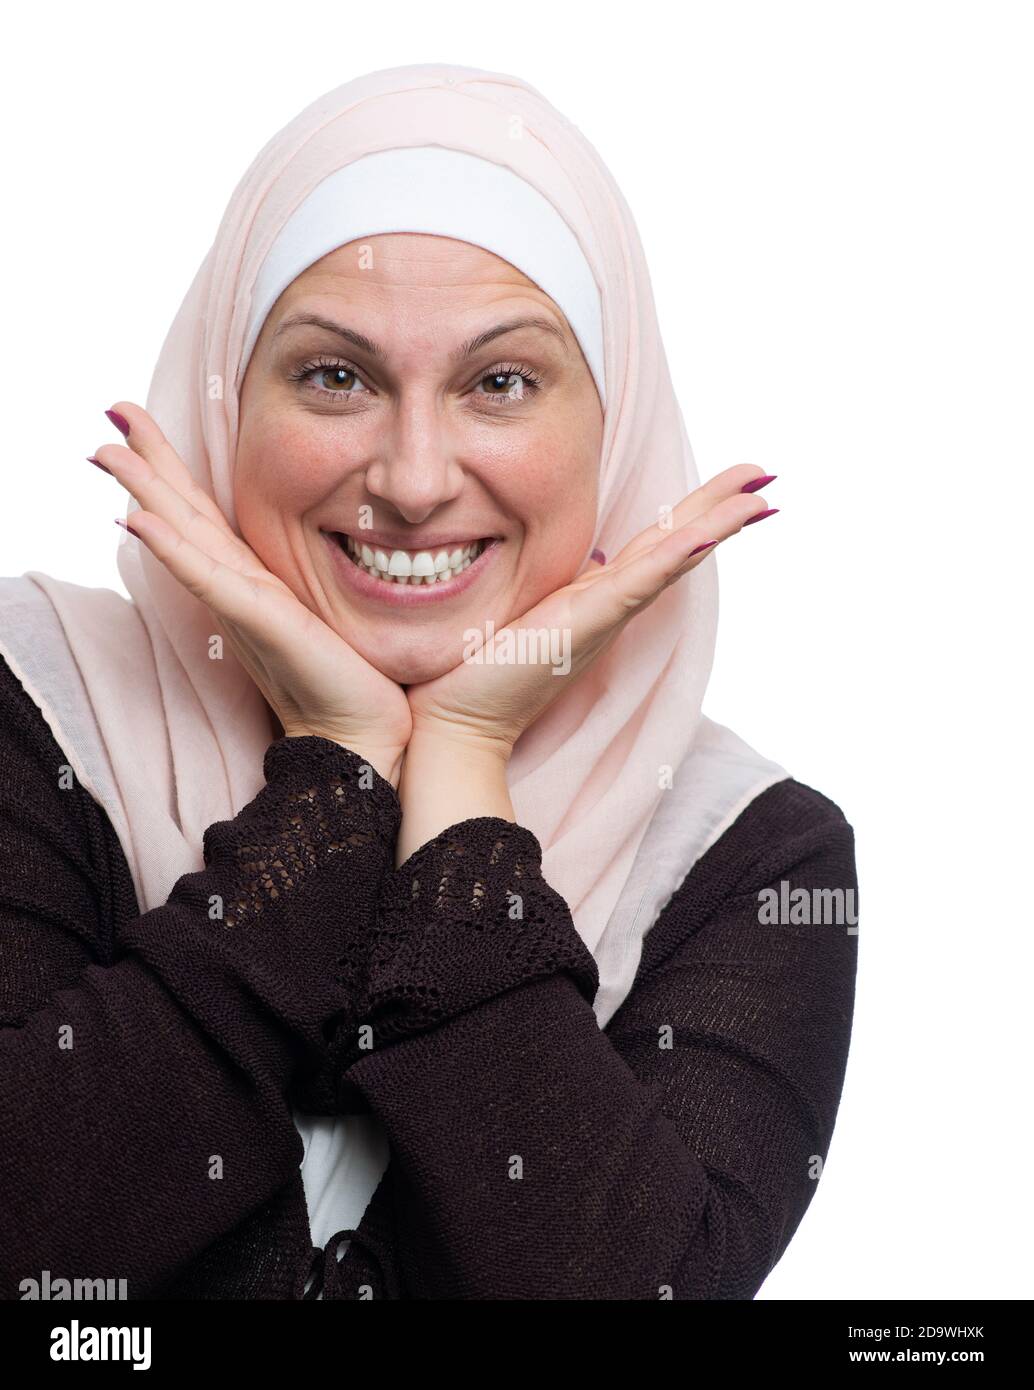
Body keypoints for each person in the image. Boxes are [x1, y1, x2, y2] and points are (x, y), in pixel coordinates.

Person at [0, 63, 857, 1301]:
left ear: (608, 431)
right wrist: (336, 781)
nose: (409, 478)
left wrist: (454, 778)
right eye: (333, 376)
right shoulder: (37, 699)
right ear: (224, 403)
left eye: (498, 382)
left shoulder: (747, 855)